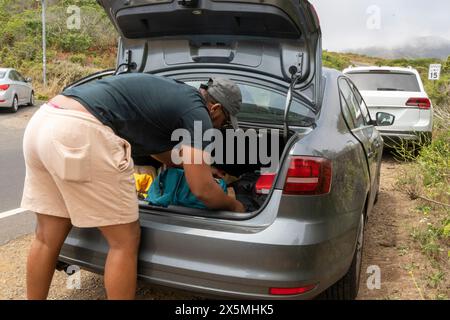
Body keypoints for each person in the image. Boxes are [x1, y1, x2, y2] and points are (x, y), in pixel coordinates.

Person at [21, 73, 245, 300]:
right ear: (215, 108)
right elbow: (202, 190)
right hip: (80, 131)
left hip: (45, 121)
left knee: (46, 237)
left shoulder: (175, 94)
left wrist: (202, 169)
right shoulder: (199, 114)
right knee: (124, 240)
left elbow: (158, 151)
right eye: (224, 122)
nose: (219, 128)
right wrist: (234, 206)